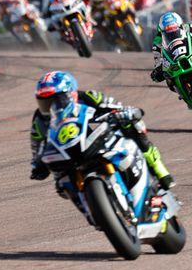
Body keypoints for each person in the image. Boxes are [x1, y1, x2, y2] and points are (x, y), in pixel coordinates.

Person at [29, 71, 174, 190]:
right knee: (61, 184)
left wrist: (125, 113)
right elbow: (37, 142)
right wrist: (37, 164)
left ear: (71, 94)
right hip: (69, 155)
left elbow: (116, 106)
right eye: (45, 102)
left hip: (98, 141)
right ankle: (90, 207)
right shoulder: (40, 118)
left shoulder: (87, 97)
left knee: (133, 124)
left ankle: (159, 169)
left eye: (56, 99)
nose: (50, 106)